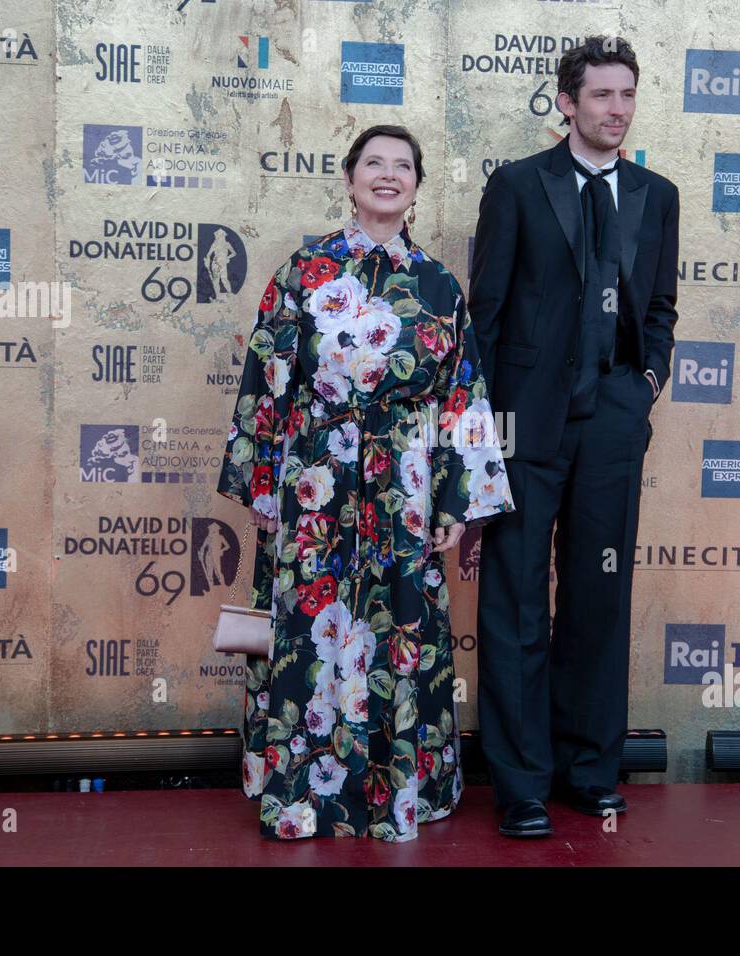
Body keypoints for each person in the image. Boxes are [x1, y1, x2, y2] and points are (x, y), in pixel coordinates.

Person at [216, 124, 515, 841]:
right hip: (312, 482)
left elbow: (462, 397)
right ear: (349, 180)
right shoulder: (303, 271)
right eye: (373, 164)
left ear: (416, 185)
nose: (387, 176)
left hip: (404, 487)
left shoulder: (440, 285)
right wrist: (264, 487)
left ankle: (394, 795)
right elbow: (266, 380)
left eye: (402, 167)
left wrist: (455, 499)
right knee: (309, 632)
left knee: (397, 636)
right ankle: (303, 794)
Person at [469, 36, 679, 837]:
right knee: (516, 600)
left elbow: (658, 309)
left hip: (614, 425)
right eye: (600, 96)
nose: (615, 110)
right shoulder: (519, 186)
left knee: (599, 598)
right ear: (567, 103)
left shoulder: (657, 196)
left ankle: (587, 771)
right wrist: (482, 436)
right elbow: (484, 319)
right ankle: (519, 783)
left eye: (626, 95)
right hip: (525, 424)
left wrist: (647, 384)